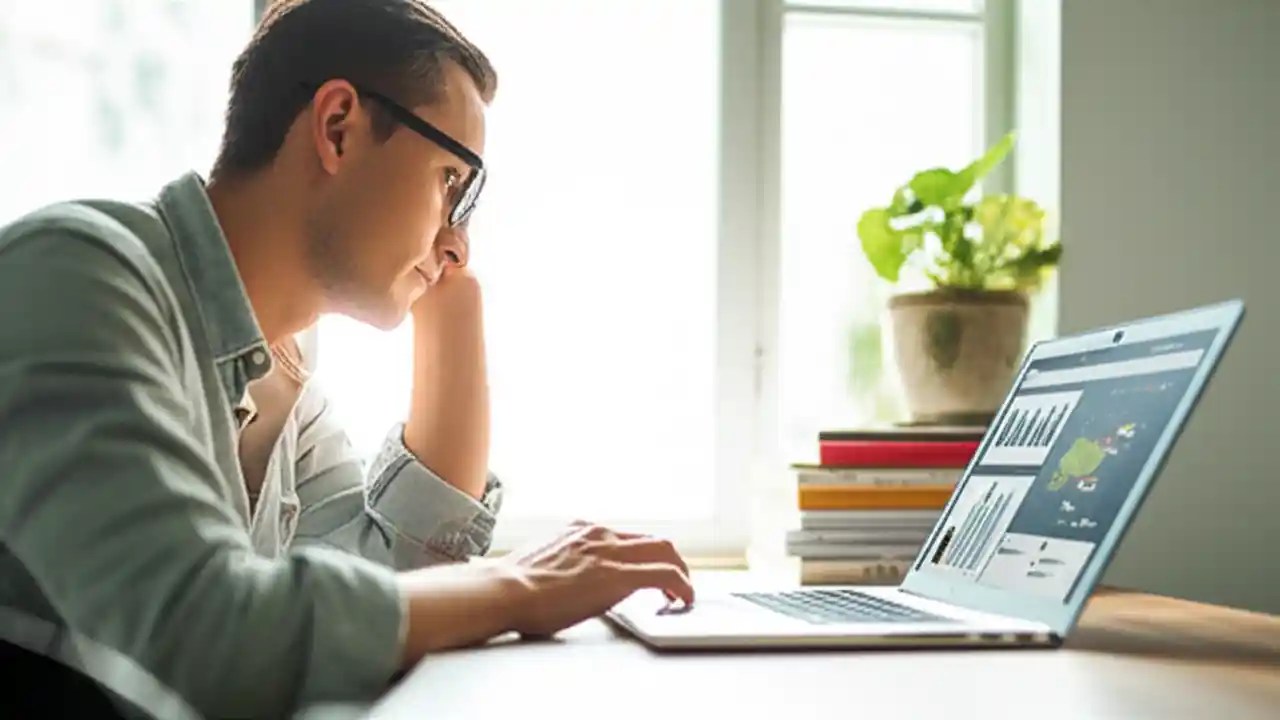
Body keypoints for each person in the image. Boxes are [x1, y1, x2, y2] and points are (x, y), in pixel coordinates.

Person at [0, 1, 694, 717]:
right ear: (339, 129)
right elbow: (205, 636)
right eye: (450, 180)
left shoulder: (280, 379)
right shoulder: (78, 275)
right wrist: (523, 585)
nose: (460, 239)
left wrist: (450, 301)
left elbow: (396, 586)